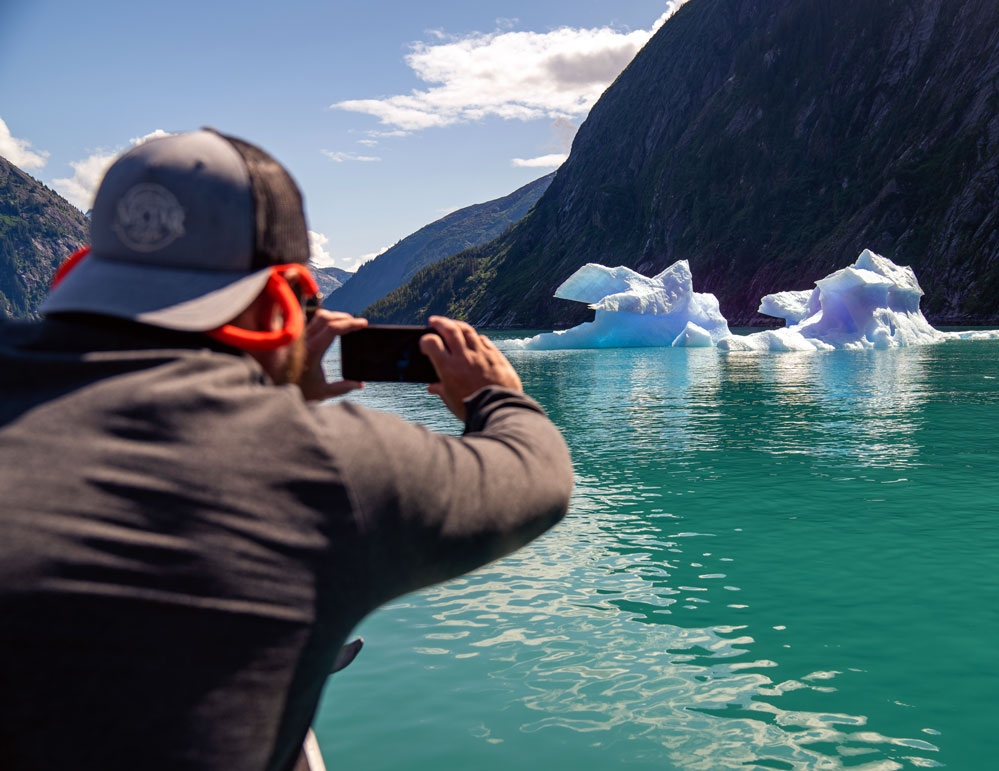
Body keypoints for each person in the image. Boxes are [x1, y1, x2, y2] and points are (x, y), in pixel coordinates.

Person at [0, 129, 573, 771]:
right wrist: (493, 395)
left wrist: (279, 390)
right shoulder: (316, 468)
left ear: (77, 271)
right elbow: (537, 472)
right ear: (280, 302)